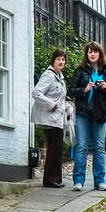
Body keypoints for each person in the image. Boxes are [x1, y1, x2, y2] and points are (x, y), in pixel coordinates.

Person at [68, 41, 106, 191]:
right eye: (90, 52)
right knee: (82, 146)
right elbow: (71, 90)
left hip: (100, 112)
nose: (92, 54)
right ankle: (78, 180)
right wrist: (85, 89)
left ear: (100, 53)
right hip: (83, 112)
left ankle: (100, 181)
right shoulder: (80, 70)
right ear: (87, 54)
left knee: (99, 147)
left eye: (95, 52)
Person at [30, 49, 71, 187]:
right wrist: (51, 104)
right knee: (54, 148)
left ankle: (55, 179)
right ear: (53, 61)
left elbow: (60, 98)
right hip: (50, 118)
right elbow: (36, 93)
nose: (61, 62)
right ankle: (50, 180)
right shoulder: (49, 75)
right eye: (58, 59)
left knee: (57, 148)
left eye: (63, 59)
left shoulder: (60, 77)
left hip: (57, 118)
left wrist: (66, 108)